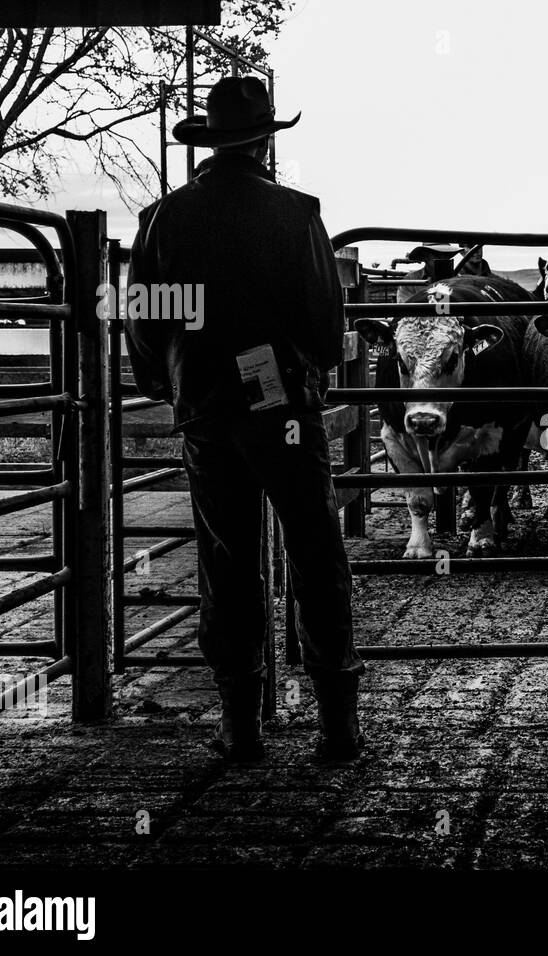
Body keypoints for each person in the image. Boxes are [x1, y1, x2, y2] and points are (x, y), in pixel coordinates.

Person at [124, 76, 364, 763]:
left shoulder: (164, 218)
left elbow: (146, 321)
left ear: (211, 140)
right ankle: (337, 723)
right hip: (283, 406)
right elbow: (324, 322)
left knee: (225, 558)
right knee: (316, 551)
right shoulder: (295, 214)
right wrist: (308, 371)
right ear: (265, 141)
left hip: (205, 407)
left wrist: (171, 385)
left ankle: (240, 722)